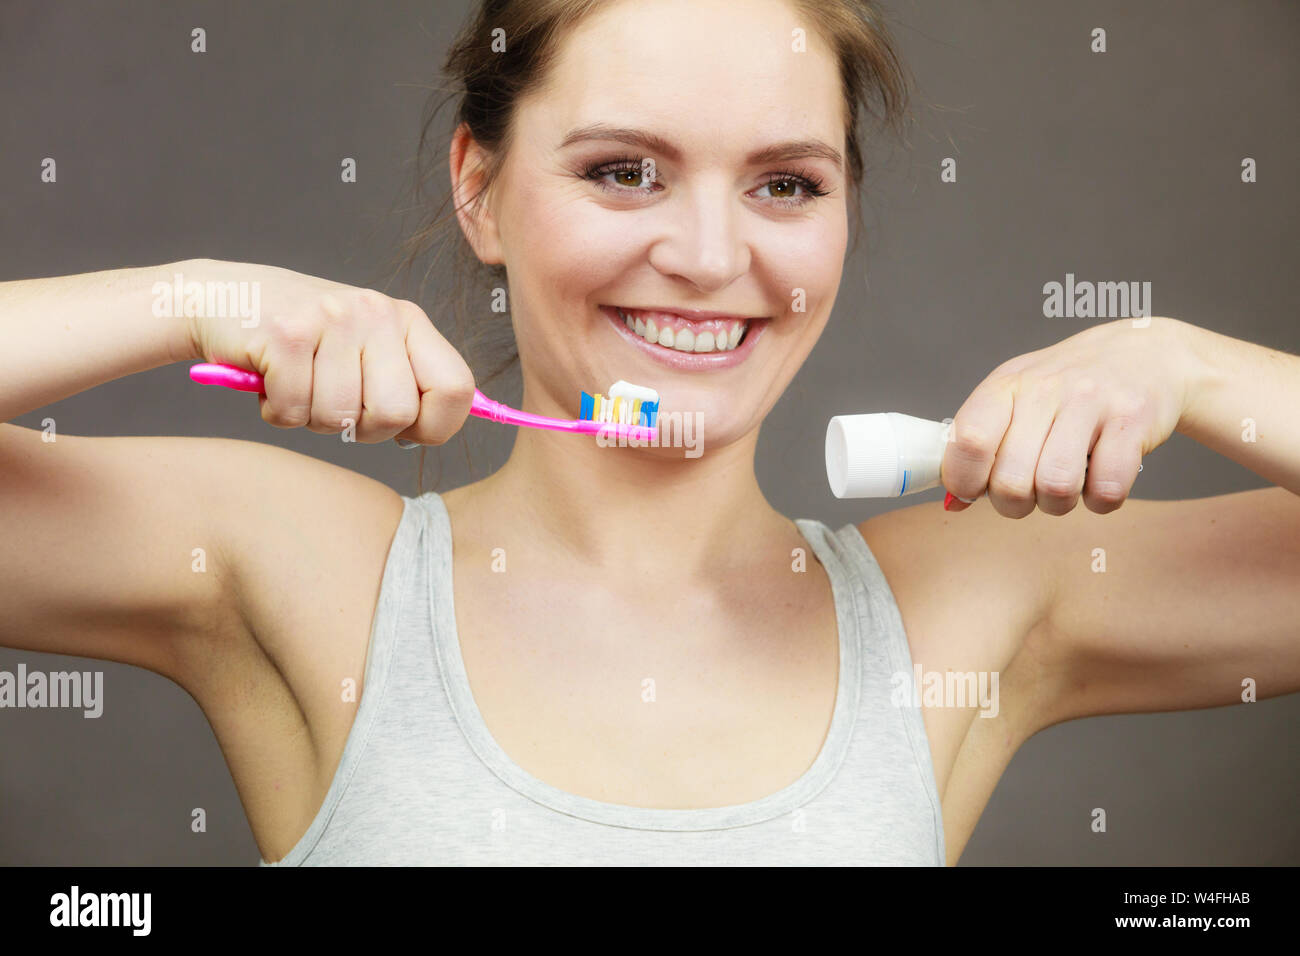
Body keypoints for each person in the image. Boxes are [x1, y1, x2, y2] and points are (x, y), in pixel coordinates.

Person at [2, 0, 1297, 866]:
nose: (710, 255)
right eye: (624, 170)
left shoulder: (976, 606)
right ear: (482, 192)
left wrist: (1185, 362)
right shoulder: (296, 567)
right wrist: (195, 301)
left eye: (786, 184)